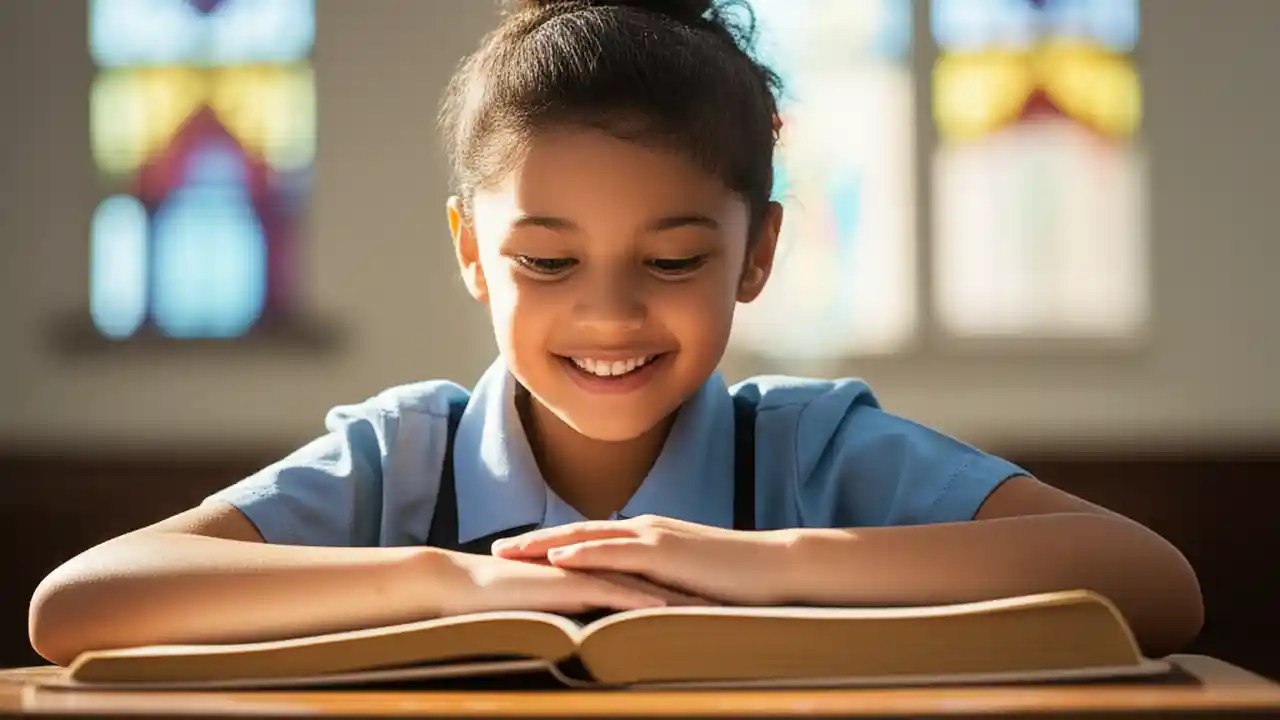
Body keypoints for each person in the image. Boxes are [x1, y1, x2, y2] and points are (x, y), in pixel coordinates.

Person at [29, 0, 1202, 667]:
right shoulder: (407, 461)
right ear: (470, 252)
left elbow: (1153, 584)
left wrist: (759, 566)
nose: (607, 313)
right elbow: (80, 603)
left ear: (757, 253)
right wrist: (450, 583)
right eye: (546, 260)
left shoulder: (805, 454)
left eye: (674, 259)